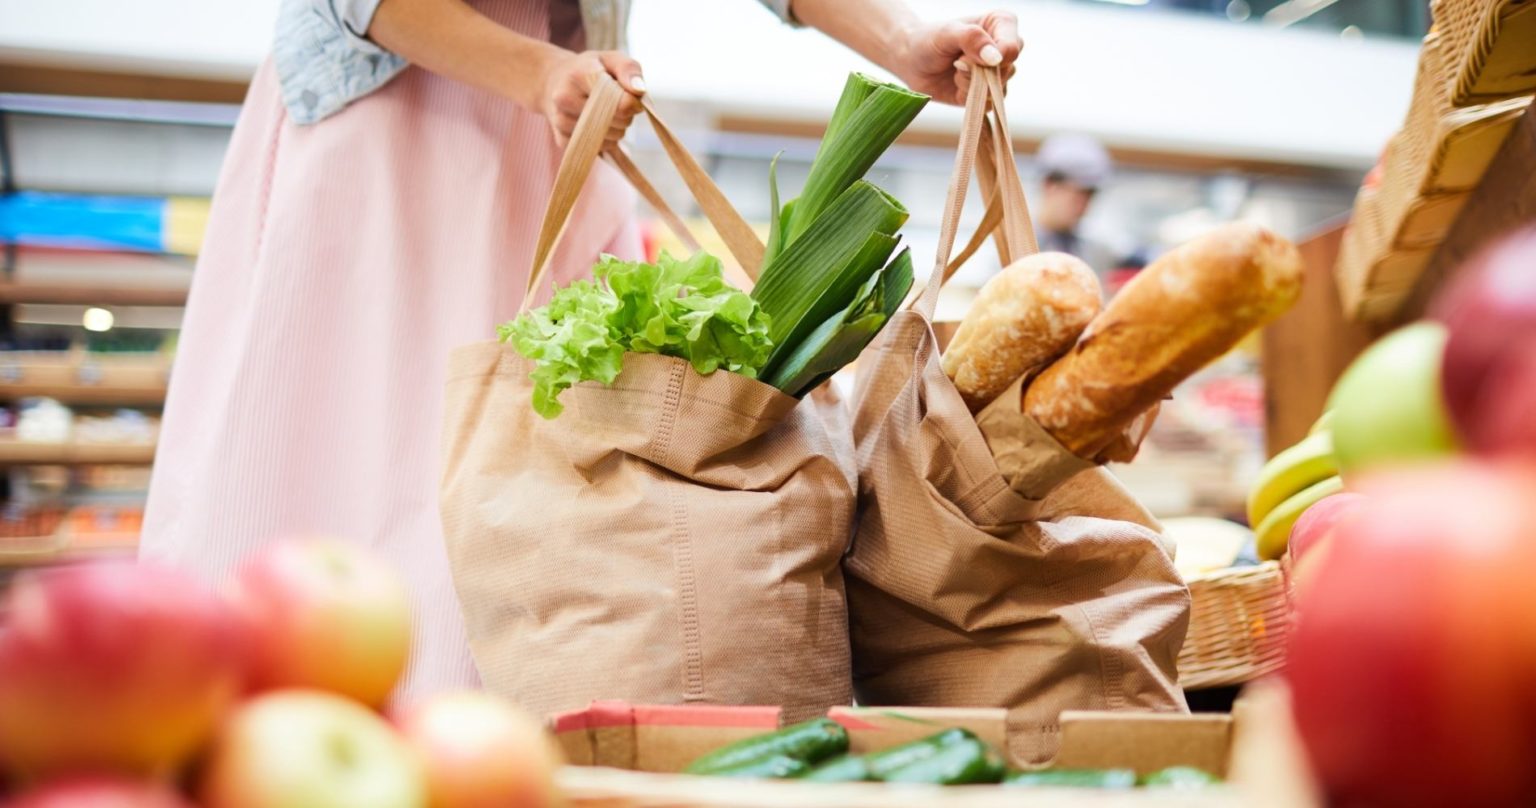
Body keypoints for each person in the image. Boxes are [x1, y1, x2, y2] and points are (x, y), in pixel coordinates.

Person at [140, 0, 1024, 702]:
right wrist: (539, 74)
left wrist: (907, 39)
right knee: (350, 463)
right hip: (398, 118)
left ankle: (487, 744)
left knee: (541, 490)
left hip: (565, 115)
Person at [1034, 133, 1118, 282]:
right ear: (1049, 185)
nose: (1084, 207)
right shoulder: (1009, 245)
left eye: (1090, 196)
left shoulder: (1095, 251)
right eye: (1079, 195)